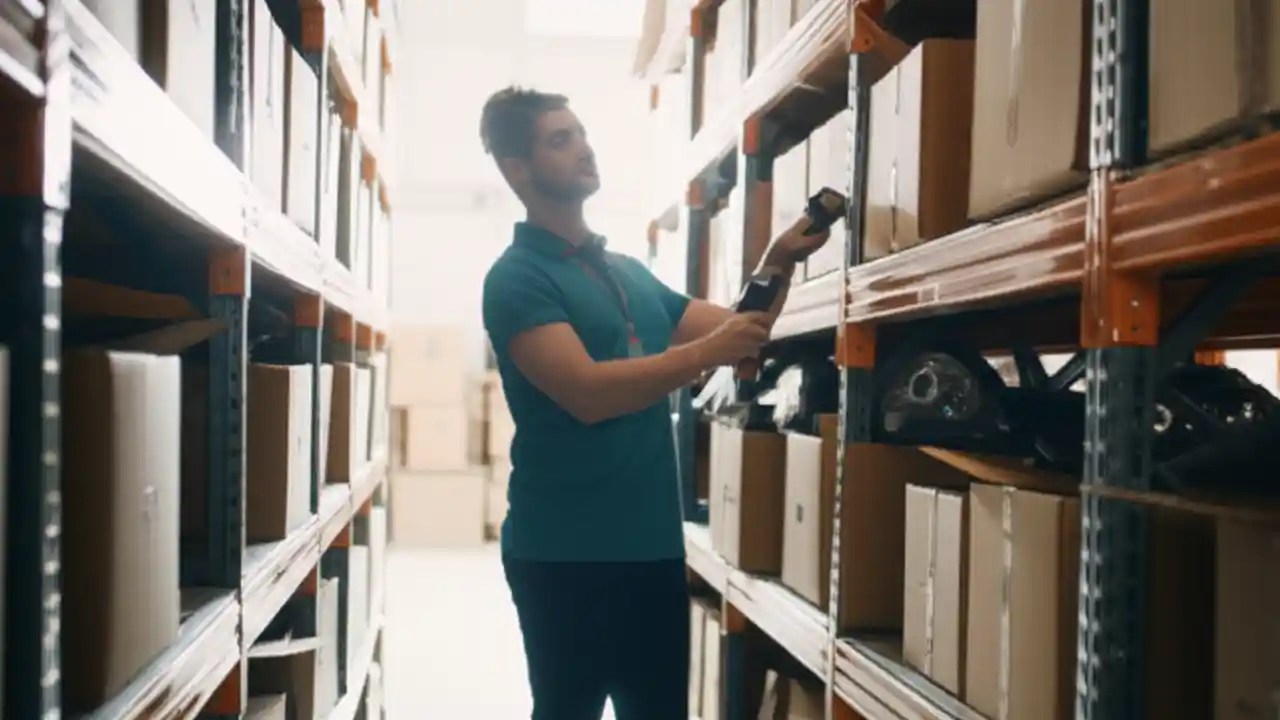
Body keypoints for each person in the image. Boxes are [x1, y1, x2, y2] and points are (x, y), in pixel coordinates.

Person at [479, 86, 832, 720]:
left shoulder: (625, 271)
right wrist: (707, 353)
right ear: (517, 170)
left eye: (581, 131)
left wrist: (777, 261)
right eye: (560, 139)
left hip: (652, 547)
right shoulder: (516, 278)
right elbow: (586, 393)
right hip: (564, 553)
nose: (584, 147)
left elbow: (738, 329)